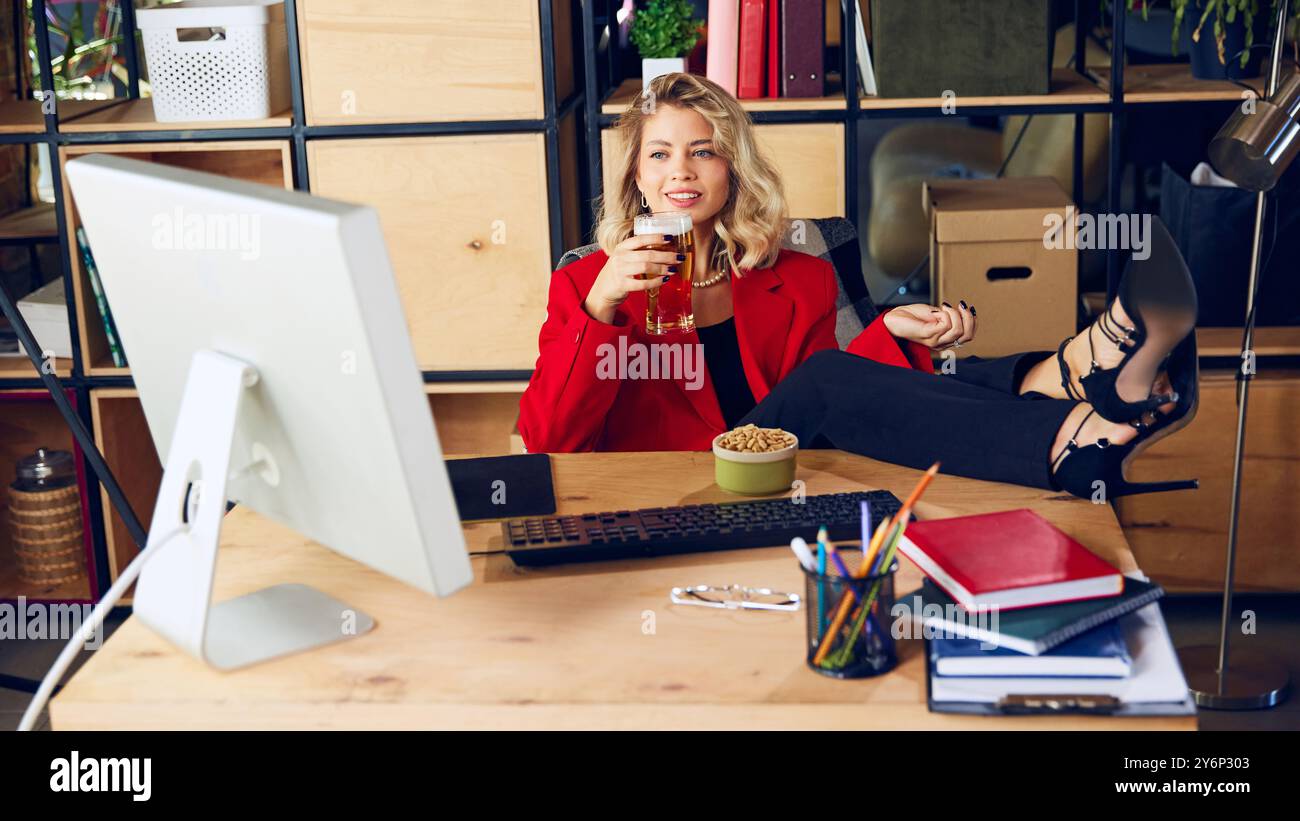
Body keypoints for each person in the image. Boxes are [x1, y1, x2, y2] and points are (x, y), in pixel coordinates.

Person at [518, 73, 1198, 500]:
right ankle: (1072, 411)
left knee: (840, 376)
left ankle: (1074, 377)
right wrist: (601, 308)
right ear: (636, 176)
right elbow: (548, 439)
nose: (681, 171)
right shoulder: (583, 284)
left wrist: (889, 333)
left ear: (732, 167)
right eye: (660, 154)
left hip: (778, 476)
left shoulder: (799, 275)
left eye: (704, 149)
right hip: (679, 489)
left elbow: (837, 410)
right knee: (825, 378)